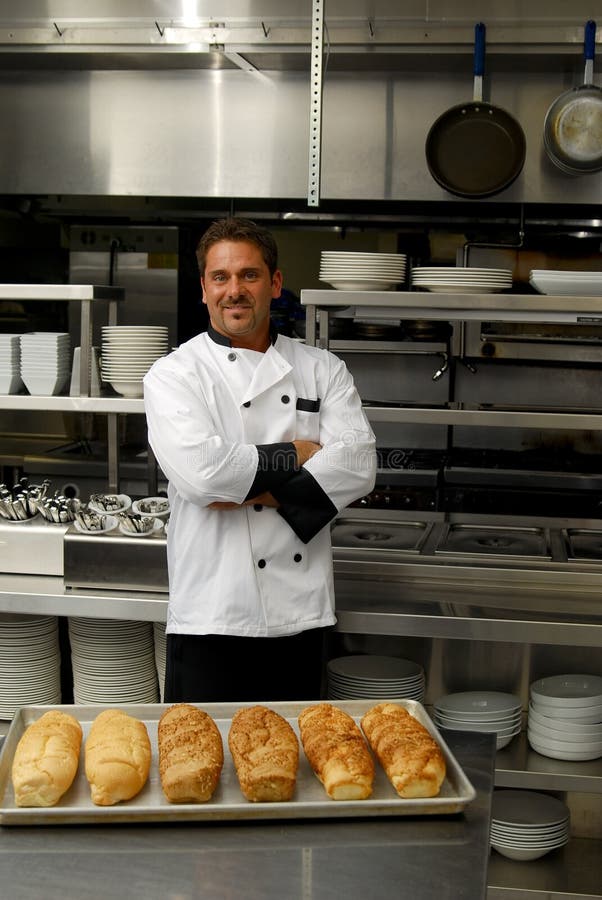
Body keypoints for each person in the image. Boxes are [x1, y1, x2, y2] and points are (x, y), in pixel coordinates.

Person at [143, 217, 376, 703]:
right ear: (203, 288)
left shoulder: (322, 369)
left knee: (291, 769)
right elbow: (202, 475)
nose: (235, 290)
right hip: (212, 612)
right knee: (200, 766)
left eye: (249, 275)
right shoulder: (173, 375)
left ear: (274, 283)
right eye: (221, 277)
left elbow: (357, 466)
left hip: (300, 614)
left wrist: (238, 489)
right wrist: (299, 453)